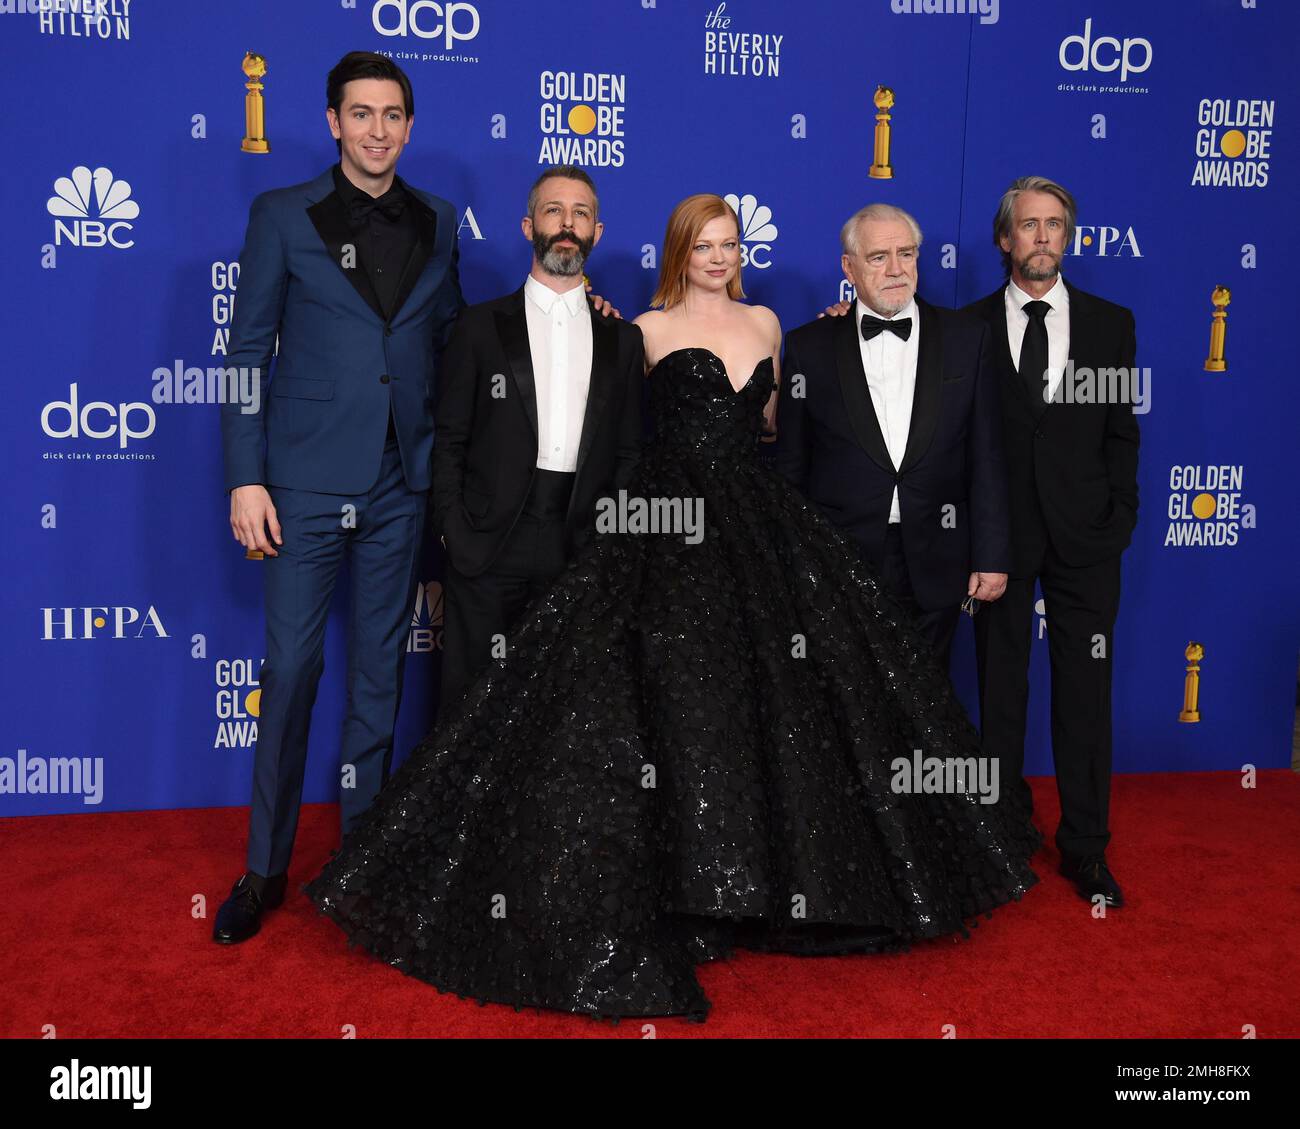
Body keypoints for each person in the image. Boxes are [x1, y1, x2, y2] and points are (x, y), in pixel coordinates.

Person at [304, 194, 1039, 1021]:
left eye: (730, 245)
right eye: (706, 246)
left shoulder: (772, 325)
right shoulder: (640, 332)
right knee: (675, 705)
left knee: (773, 708)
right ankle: (681, 888)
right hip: (663, 528)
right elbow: (615, 424)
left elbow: (778, 429)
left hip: (759, 525)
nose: (720, 258)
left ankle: (763, 886)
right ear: (680, 252)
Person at [212, 52, 463, 944]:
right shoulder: (281, 215)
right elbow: (246, 355)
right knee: (290, 673)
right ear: (331, 122)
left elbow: (451, 347)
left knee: (378, 677)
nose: (377, 129)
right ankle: (265, 867)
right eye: (360, 114)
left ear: (408, 123)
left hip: (404, 483)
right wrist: (247, 474)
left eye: (392, 114)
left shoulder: (438, 219)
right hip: (304, 483)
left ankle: (362, 863)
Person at [963, 177, 1139, 908]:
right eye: (1028, 226)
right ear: (1006, 239)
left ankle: (1086, 848)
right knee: (1002, 695)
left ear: (1069, 236)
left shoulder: (1108, 324)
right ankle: (1004, 838)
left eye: (1055, 225)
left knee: (1085, 697)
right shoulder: (966, 328)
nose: (1042, 237)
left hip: (1086, 540)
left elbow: (1119, 430)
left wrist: (1118, 516)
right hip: (1002, 541)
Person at [433, 165, 643, 717]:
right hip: (488, 541)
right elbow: (448, 438)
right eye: (554, 211)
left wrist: (610, 543)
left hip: (578, 543)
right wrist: (455, 531)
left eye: (581, 213)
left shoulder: (623, 339)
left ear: (598, 232)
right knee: (469, 706)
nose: (567, 223)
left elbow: (628, 453)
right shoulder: (479, 327)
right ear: (528, 226)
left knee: (561, 711)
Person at [776, 203, 1009, 672]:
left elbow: (987, 454)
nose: (897, 269)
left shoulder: (969, 338)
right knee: (849, 707)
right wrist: (793, 565)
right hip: (839, 560)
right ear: (849, 266)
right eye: (879, 257)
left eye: (907, 253)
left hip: (938, 554)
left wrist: (992, 554)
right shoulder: (809, 345)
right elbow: (791, 468)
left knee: (928, 704)